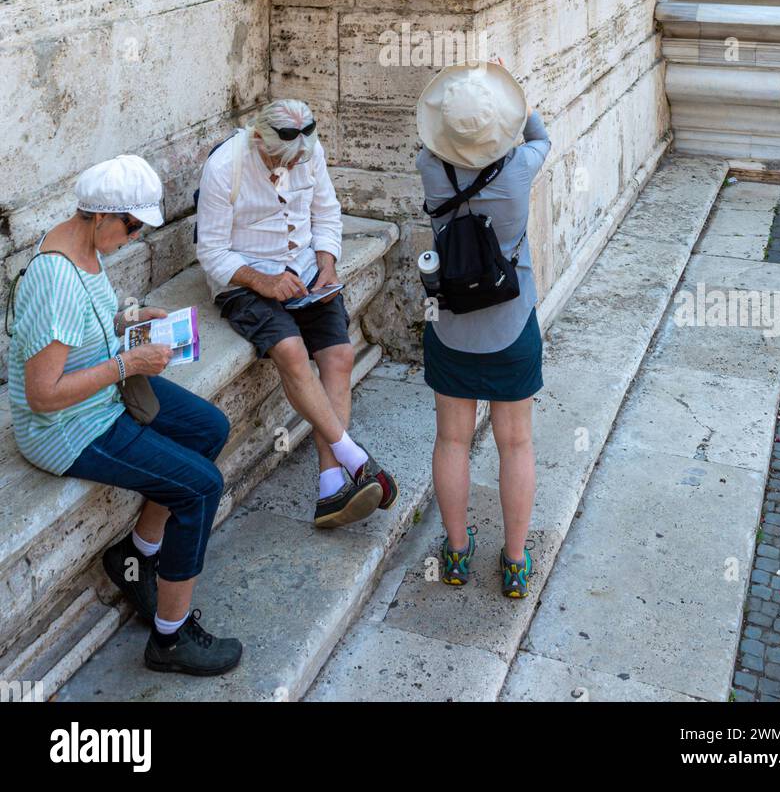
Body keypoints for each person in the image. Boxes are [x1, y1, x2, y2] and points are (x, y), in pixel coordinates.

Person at [7, 154, 241, 677]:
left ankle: (137, 555)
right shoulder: (56, 280)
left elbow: (82, 330)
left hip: (104, 394)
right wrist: (126, 363)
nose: (134, 236)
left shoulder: (81, 245)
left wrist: (131, 322)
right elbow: (43, 395)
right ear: (98, 215)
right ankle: (170, 640)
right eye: (131, 226)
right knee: (201, 488)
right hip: (67, 428)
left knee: (210, 428)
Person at [196, 98, 398, 528]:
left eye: (297, 160)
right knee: (289, 350)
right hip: (245, 280)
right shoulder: (223, 168)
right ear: (258, 140)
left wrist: (327, 264)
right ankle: (354, 457)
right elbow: (210, 252)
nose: (288, 167)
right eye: (278, 159)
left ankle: (330, 484)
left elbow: (326, 214)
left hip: (307, 272)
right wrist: (262, 281)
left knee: (339, 356)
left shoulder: (309, 151)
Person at [416, 60, 550, 598]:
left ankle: (455, 551)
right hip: (512, 322)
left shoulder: (430, 167)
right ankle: (515, 562)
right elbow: (539, 132)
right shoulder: (519, 168)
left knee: (451, 439)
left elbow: (431, 138)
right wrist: (512, 89)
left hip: (450, 321)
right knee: (515, 443)